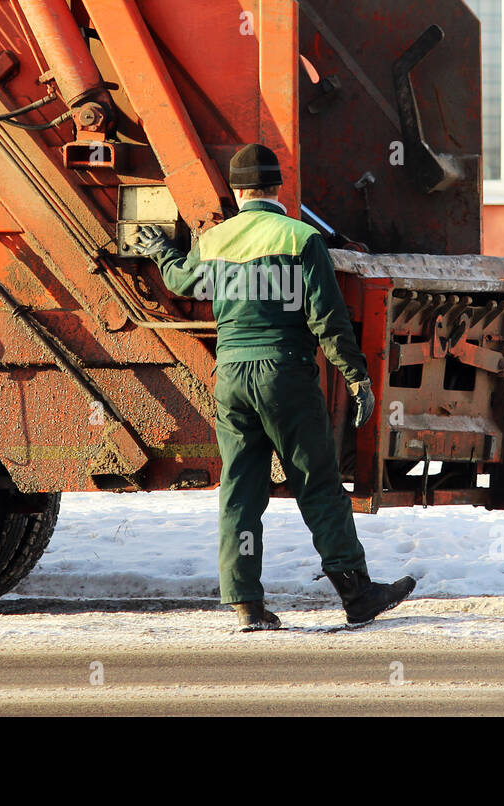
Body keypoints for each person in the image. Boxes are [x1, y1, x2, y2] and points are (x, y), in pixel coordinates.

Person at [134, 143, 416, 631]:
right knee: (317, 483)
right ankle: (356, 593)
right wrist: (356, 378)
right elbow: (327, 320)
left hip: (231, 377)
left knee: (240, 489)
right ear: (277, 188)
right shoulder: (300, 239)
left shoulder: (216, 240)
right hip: (284, 373)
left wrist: (160, 250)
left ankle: (245, 602)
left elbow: (183, 281)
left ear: (237, 189)